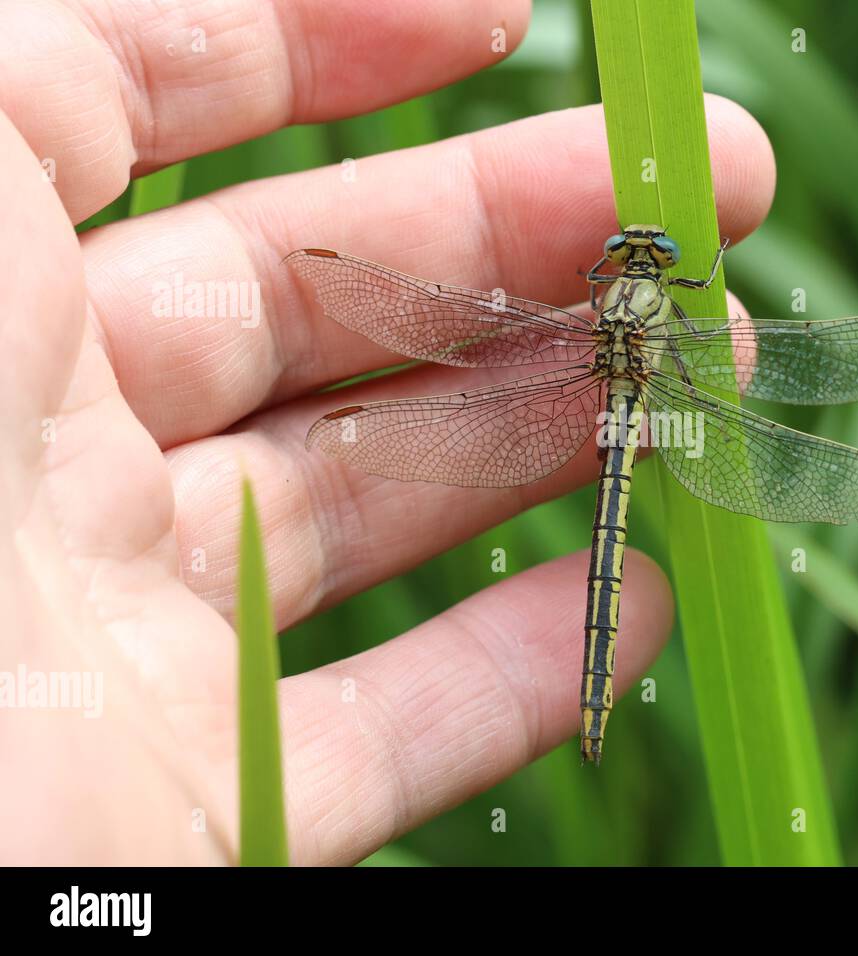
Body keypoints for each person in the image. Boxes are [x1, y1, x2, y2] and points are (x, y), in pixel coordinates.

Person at [0, 0, 774, 864]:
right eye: (641, 261)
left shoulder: (598, 306)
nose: (637, 263)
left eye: (642, 260)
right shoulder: (667, 300)